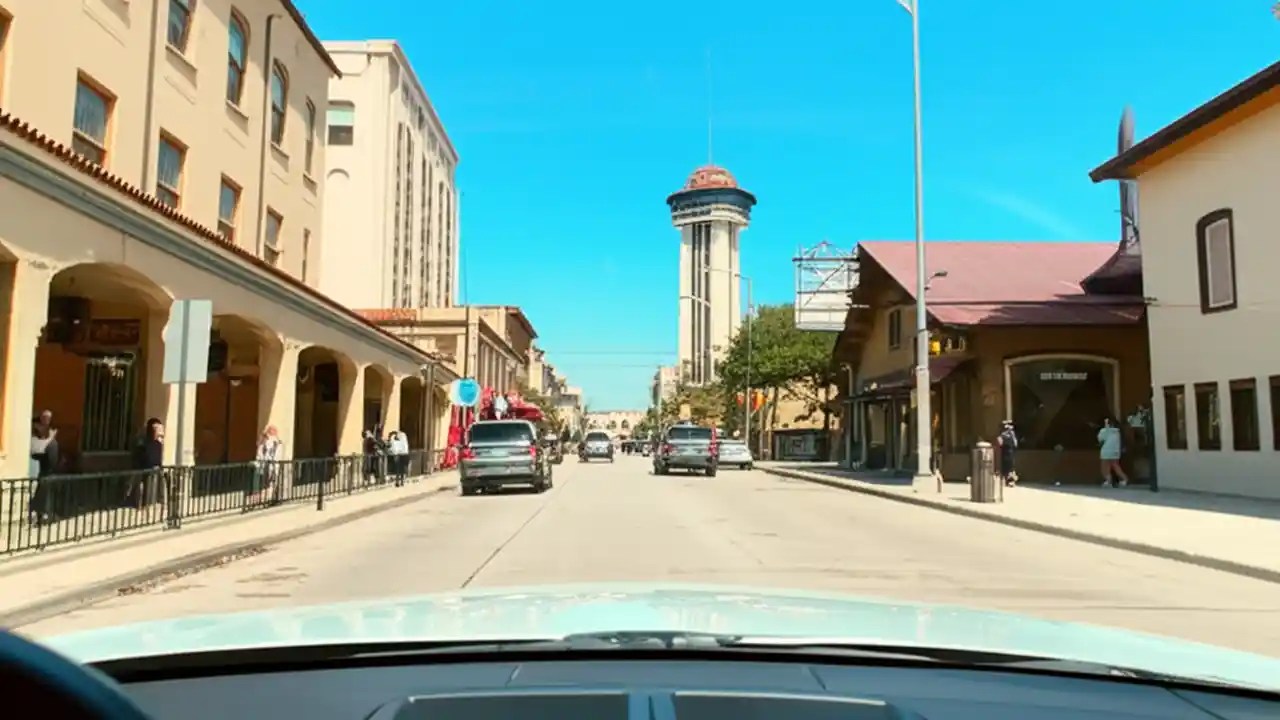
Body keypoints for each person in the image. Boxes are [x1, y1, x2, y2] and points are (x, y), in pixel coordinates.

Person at [1098, 417, 1129, 488]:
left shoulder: (1104, 431)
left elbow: (1100, 439)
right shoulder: (1117, 432)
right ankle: (1125, 479)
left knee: (1105, 467)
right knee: (1116, 466)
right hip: (1115, 452)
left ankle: (1108, 481)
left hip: (1106, 451)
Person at [997, 420, 1019, 487]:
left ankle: (1010, 480)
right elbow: (1000, 443)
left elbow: (1015, 444)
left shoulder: (1012, 435)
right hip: (1005, 453)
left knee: (1010, 467)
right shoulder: (1002, 435)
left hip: (1010, 453)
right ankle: (1006, 480)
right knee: (1006, 467)